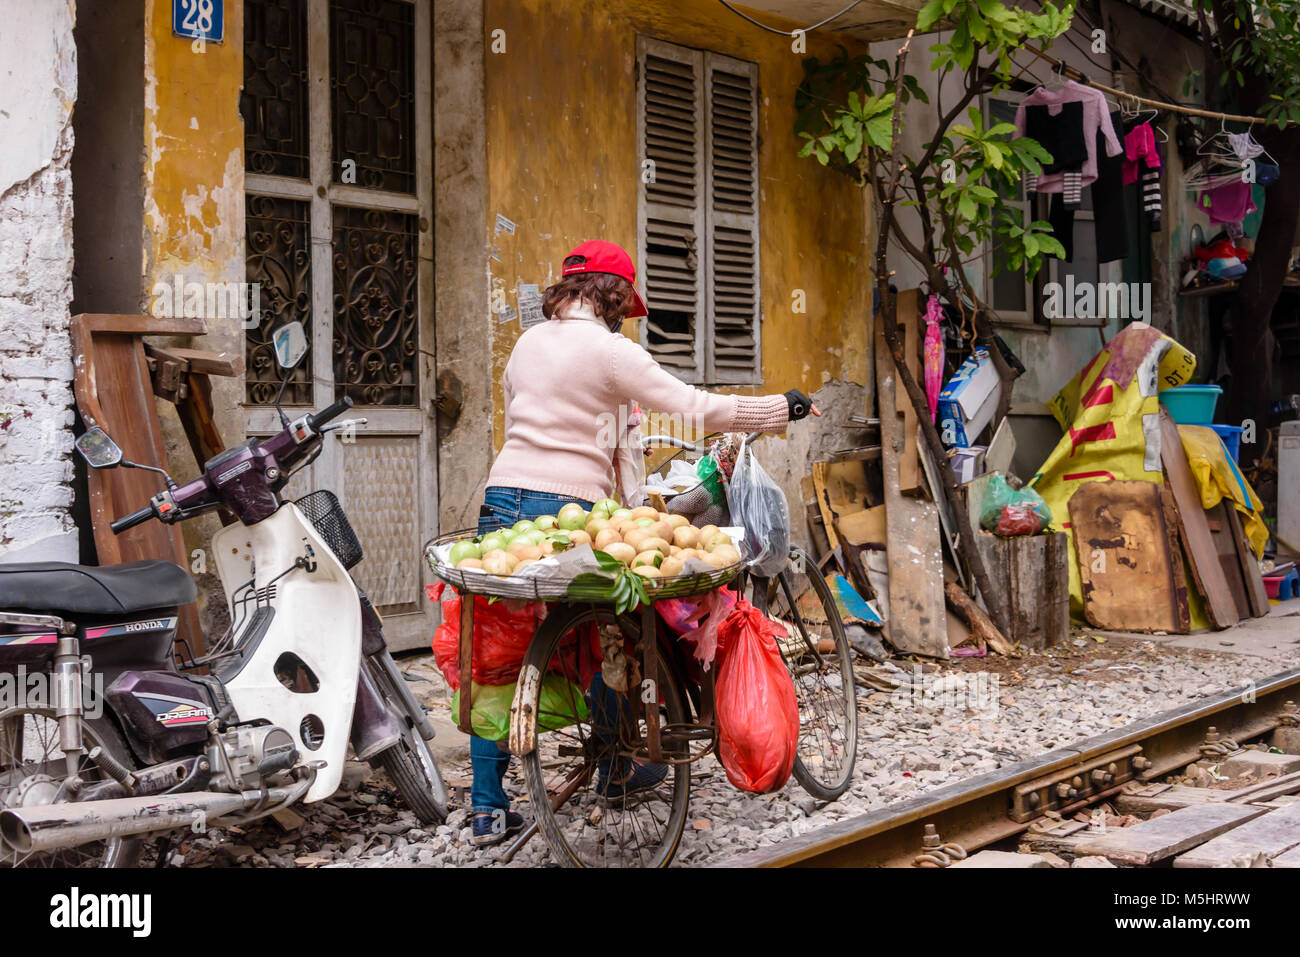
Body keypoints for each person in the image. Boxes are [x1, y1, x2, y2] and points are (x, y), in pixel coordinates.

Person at [469, 239, 818, 846]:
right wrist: (774, 409)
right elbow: (691, 408)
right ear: (612, 298)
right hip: (568, 514)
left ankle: (487, 809)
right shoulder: (610, 352)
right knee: (609, 637)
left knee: (498, 655)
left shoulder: (526, 343)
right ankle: (614, 766)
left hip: (502, 504)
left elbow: (523, 416)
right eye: (624, 306)